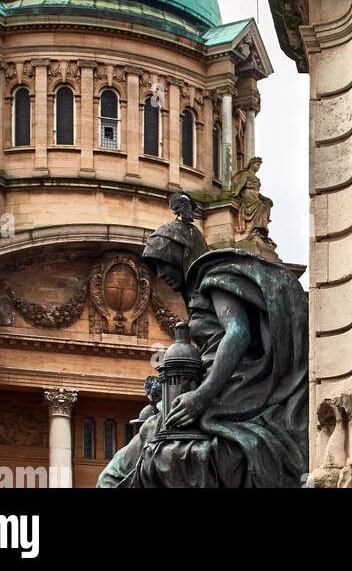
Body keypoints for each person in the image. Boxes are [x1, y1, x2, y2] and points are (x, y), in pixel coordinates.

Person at [98, 208, 306, 488]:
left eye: (164, 262)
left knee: (113, 477)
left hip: (229, 389)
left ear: (183, 253)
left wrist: (202, 396)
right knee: (119, 469)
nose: (162, 274)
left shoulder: (212, 277)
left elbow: (238, 333)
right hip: (212, 384)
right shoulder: (200, 288)